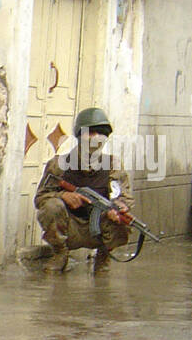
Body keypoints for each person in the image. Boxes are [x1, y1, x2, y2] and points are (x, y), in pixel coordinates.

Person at [35, 107, 132, 273]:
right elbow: (40, 198)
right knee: (52, 207)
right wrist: (63, 195)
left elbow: (123, 196)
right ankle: (60, 253)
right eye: (90, 132)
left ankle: (104, 255)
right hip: (69, 226)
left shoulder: (113, 166)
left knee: (123, 219)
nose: (94, 137)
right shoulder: (59, 164)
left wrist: (118, 207)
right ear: (80, 135)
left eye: (99, 133)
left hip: (99, 227)